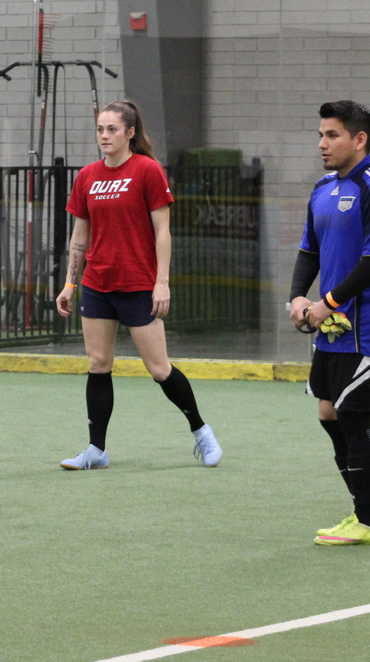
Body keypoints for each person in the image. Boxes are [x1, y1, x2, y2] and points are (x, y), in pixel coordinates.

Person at [54, 100, 222, 470]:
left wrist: (161, 283)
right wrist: (70, 283)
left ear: (130, 132)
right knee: (98, 364)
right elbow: (80, 234)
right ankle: (96, 451)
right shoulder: (87, 177)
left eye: (112, 129)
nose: (104, 136)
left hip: (139, 285)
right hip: (97, 283)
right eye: (100, 129)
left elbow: (163, 231)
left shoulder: (147, 171)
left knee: (159, 368)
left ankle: (201, 431)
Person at [289, 101, 370, 546]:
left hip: (367, 325)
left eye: (332, 135)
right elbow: (309, 250)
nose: (322, 143)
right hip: (331, 326)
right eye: (320, 134)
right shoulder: (322, 187)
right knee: (328, 412)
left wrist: (328, 302)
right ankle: (363, 512)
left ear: (360, 139)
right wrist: (299, 296)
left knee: (353, 417)